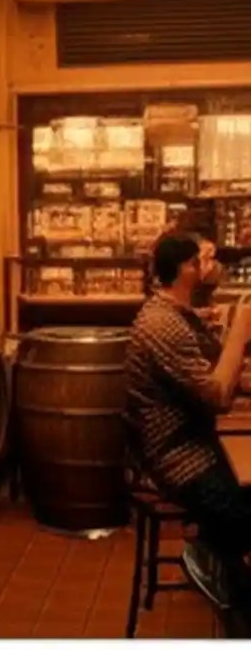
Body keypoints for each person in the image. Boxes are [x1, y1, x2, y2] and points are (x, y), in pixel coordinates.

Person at [126, 232, 251, 605]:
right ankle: (208, 557)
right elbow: (215, 395)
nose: (209, 267)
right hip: (179, 458)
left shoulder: (172, 313)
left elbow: (209, 375)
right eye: (201, 261)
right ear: (185, 270)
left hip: (193, 445)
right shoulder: (164, 325)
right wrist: (240, 333)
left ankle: (220, 566)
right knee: (243, 517)